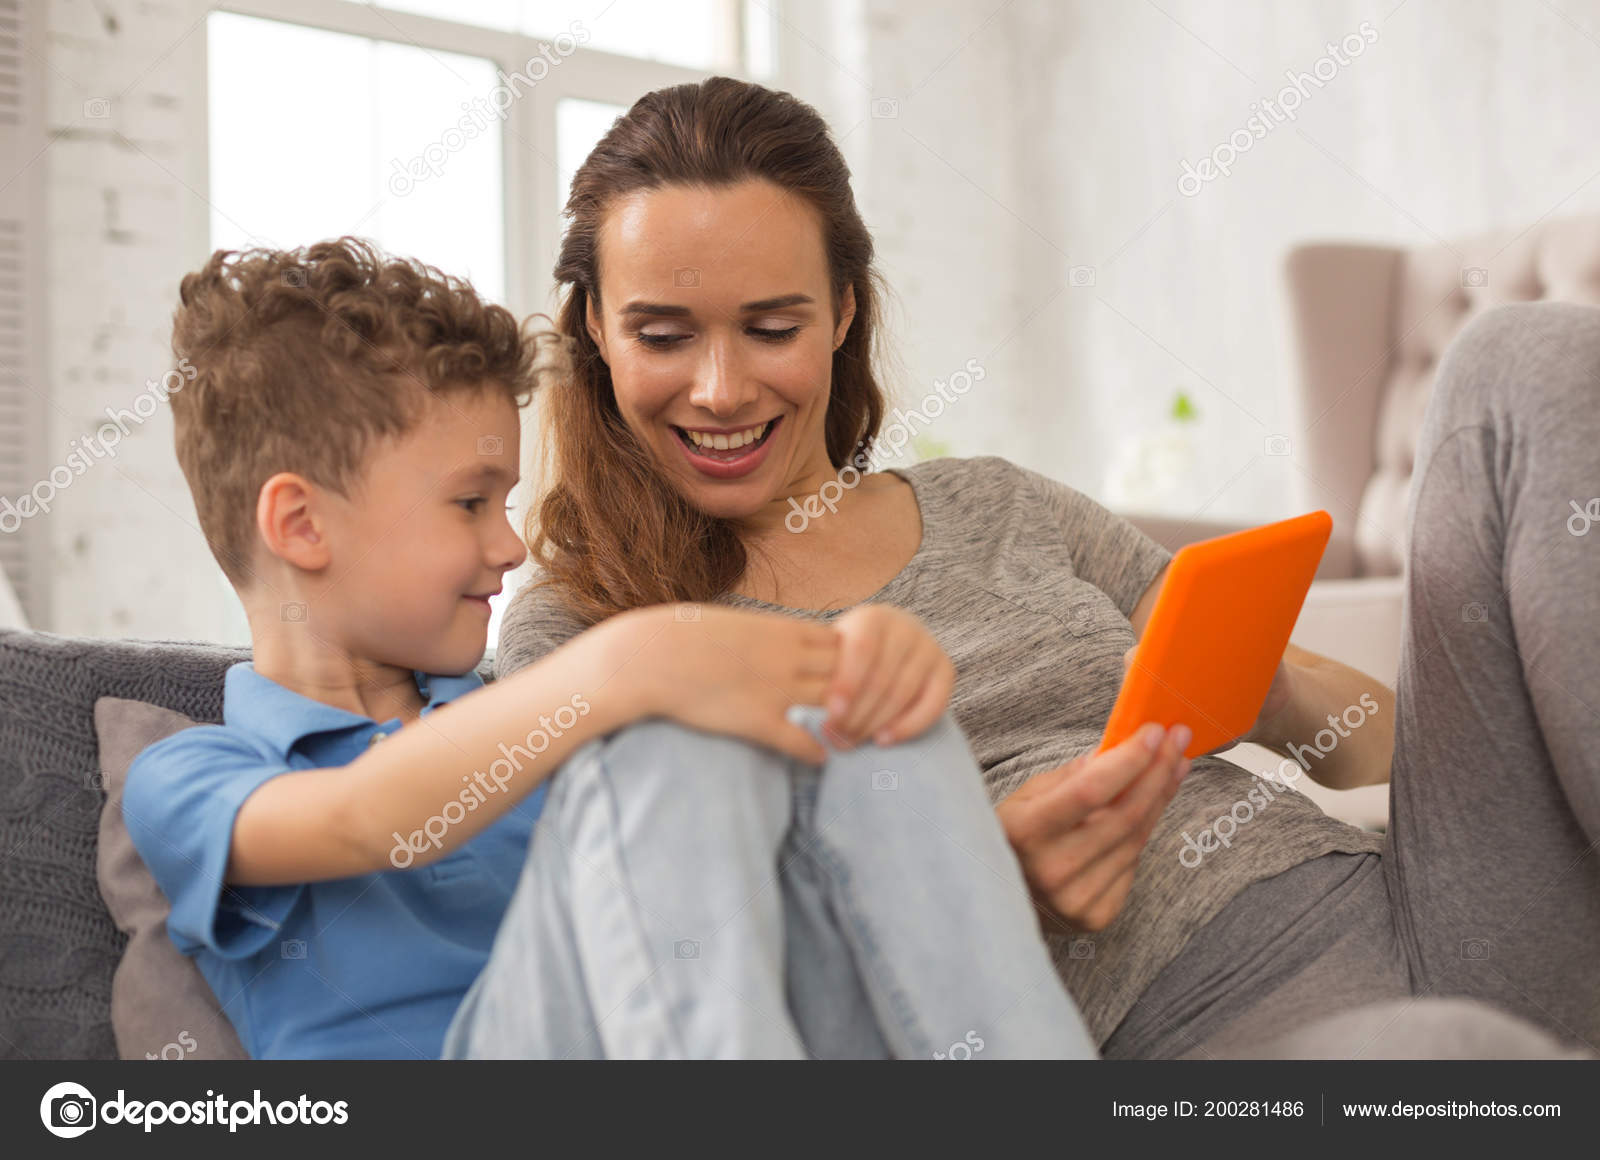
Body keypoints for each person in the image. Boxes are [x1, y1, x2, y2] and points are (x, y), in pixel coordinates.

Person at [498, 76, 1598, 1058]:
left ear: (841, 311)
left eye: (771, 325)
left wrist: (1275, 694)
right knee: (1444, 1055)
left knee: (1517, 358)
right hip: (1212, 1024)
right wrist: (983, 894)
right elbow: (644, 964)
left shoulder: (1001, 501)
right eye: (663, 334)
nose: (722, 388)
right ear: (594, 326)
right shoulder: (584, 622)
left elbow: (1382, 741)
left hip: (1434, 899)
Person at [123, 237, 1127, 1060]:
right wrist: (622, 668)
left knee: (869, 727)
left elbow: (744, 875)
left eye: (507, 503)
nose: (510, 545)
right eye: (470, 502)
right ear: (301, 524)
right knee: (656, 739)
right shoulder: (193, 772)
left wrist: (860, 672)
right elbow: (362, 819)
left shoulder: (513, 714)